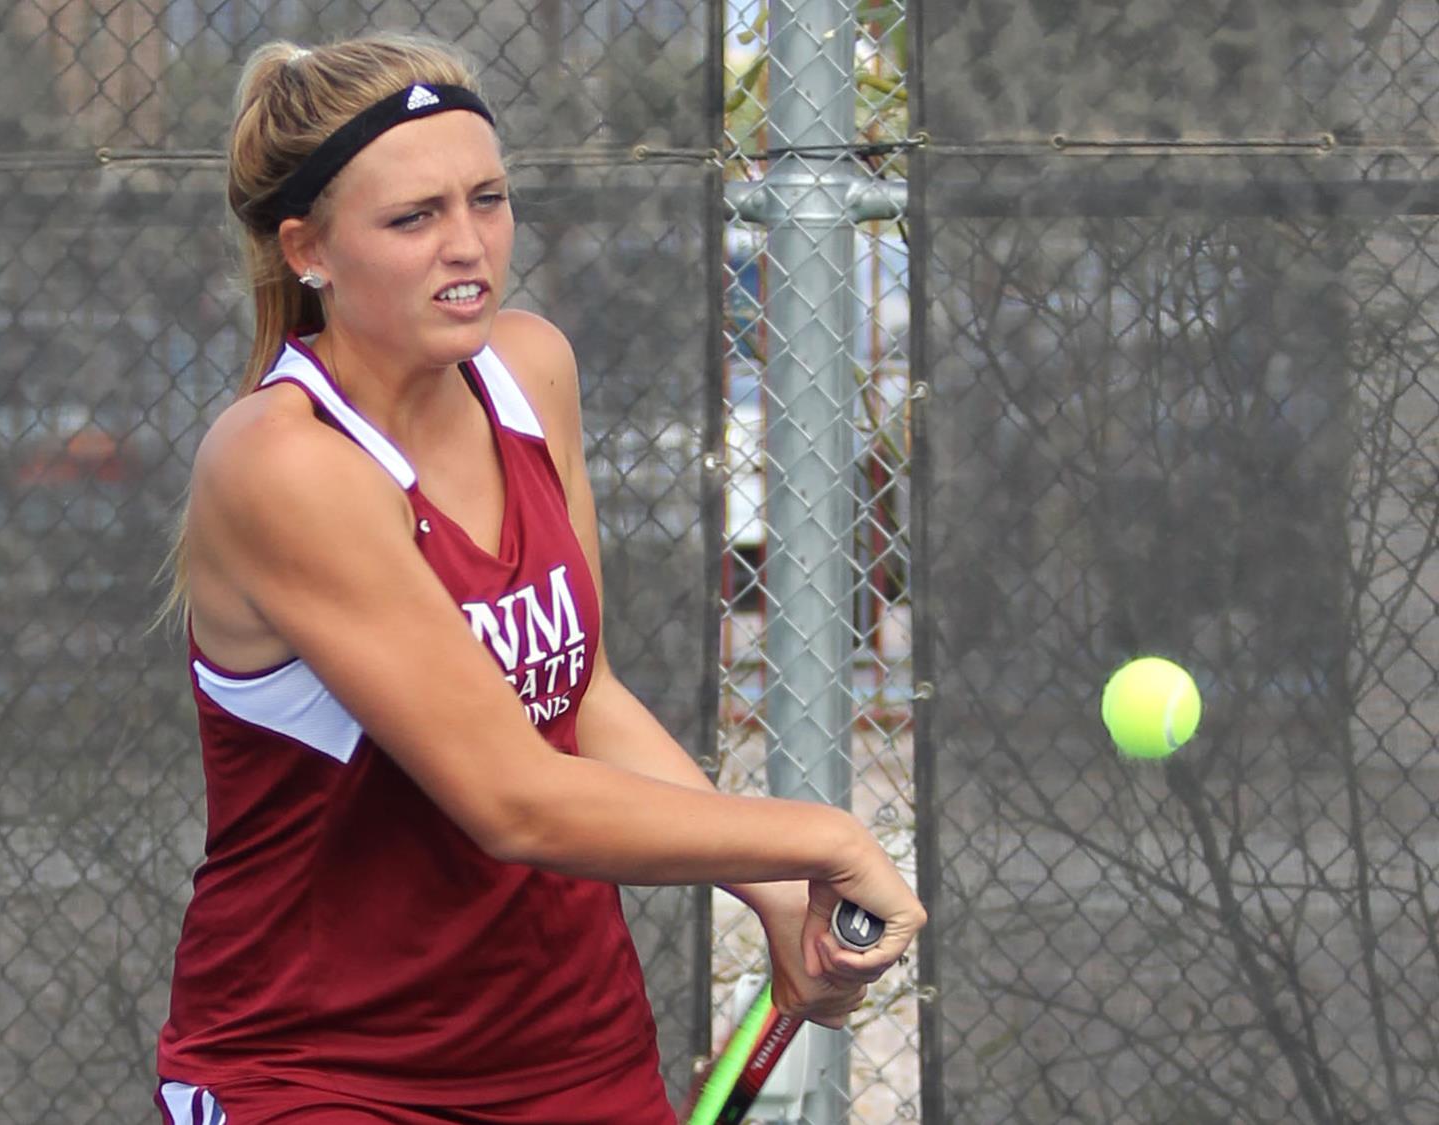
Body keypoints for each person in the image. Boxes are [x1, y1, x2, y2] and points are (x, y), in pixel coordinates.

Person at [152, 32, 925, 1125]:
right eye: (413, 217)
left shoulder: (526, 370)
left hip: (571, 1052)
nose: (466, 245)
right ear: (307, 250)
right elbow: (511, 799)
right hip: (322, 1075)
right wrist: (825, 840)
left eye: (487, 199)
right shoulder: (284, 465)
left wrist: (770, 893)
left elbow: (582, 697)